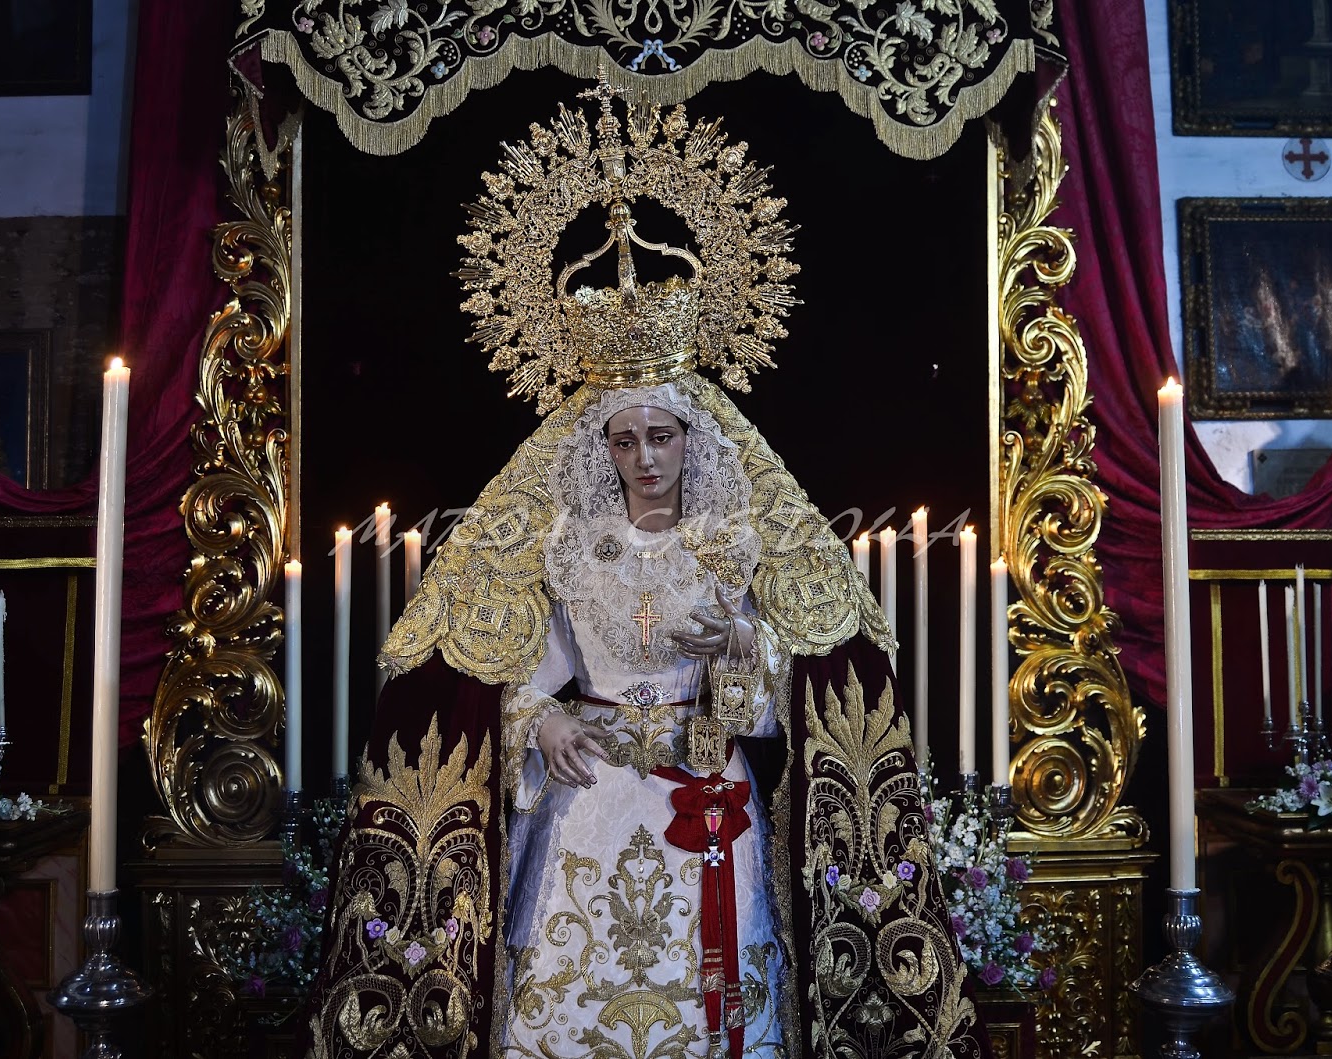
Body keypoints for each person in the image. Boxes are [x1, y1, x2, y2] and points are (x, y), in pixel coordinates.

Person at [301, 79, 990, 1059]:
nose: (645, 457)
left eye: (661, 434)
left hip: (705, 799)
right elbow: (516, 669)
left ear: (692, 439)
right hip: (592, 801)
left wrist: (742, 649)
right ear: (599, 450)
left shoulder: (729, 546)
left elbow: (773, 709)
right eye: (623, 440)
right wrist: (539, 724)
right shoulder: (567, 548)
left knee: (715, 1010)